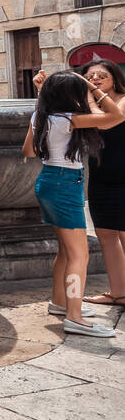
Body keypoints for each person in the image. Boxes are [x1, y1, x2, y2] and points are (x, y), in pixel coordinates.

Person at [23, 69, 123, 337]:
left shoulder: (41, 116)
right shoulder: (69, 119)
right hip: (66, 184)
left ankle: (59, 302)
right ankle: (75, 317)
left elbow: (28, 151)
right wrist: (94, 88)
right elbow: (116, 116)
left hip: (48, 181)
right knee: (80, 255)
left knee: (66, 251)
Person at [78, 60, 125, 307]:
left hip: (123, 179)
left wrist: (89, 93)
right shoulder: (90, 104)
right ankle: (119, 293)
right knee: (105, 235)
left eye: (100, 75)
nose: (95, 78)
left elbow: (104, 122)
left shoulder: (122, 100)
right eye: (89, 75)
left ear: (115, 78)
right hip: (100, 178)